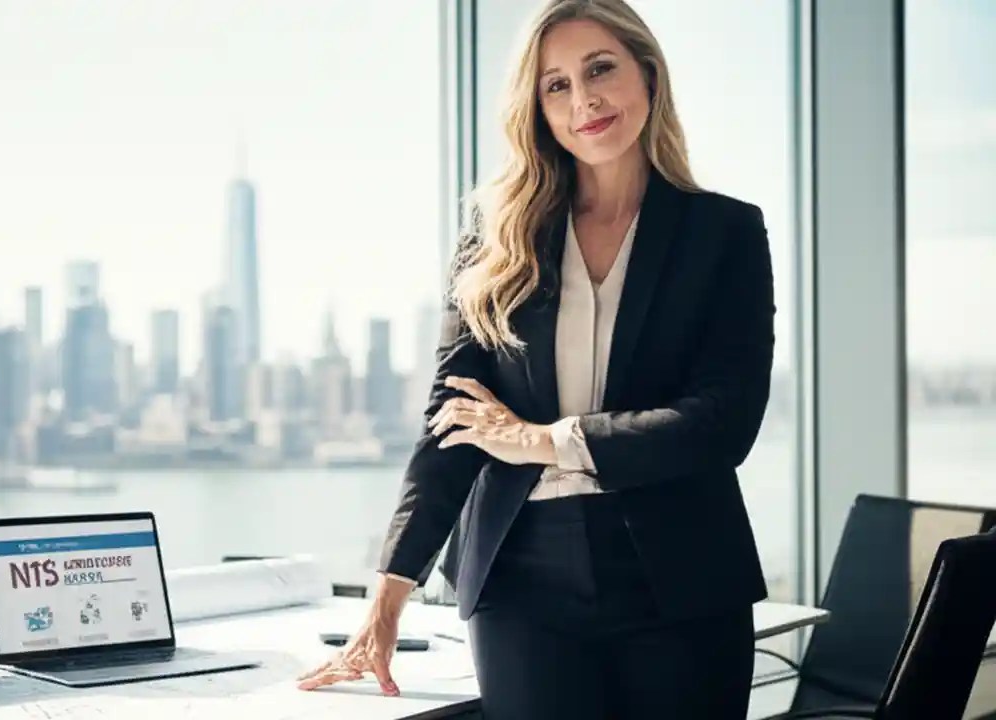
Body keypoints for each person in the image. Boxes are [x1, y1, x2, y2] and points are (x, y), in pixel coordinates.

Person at [296, 0, 774, 717]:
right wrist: (388, 596)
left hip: (681, 575)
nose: (584, 99)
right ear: (538, 107)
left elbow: (722, 423)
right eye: (556, 84)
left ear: (647, 73)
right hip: (521, 579)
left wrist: (540, 441)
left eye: (600, 68)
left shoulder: (726, 233)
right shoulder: (496, 236)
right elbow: (450, 425)